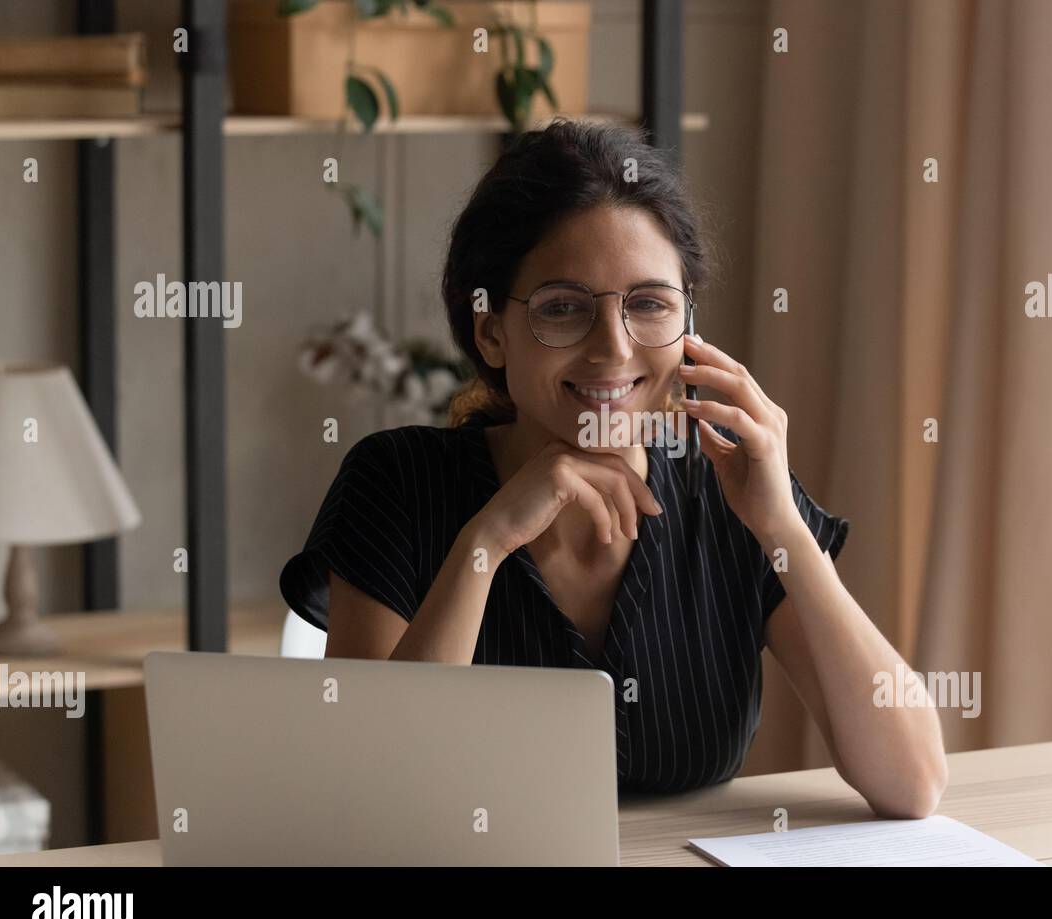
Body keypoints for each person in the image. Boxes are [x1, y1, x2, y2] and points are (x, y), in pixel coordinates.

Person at [280, 119, 946, 810]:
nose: (614, 348)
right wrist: (487, 542)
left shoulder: (729, 493)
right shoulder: (398, 482)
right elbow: (370, 793)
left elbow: (913, 783)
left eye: (650, 304)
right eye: (563, 309)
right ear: (491, 332)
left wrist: (784, 530)